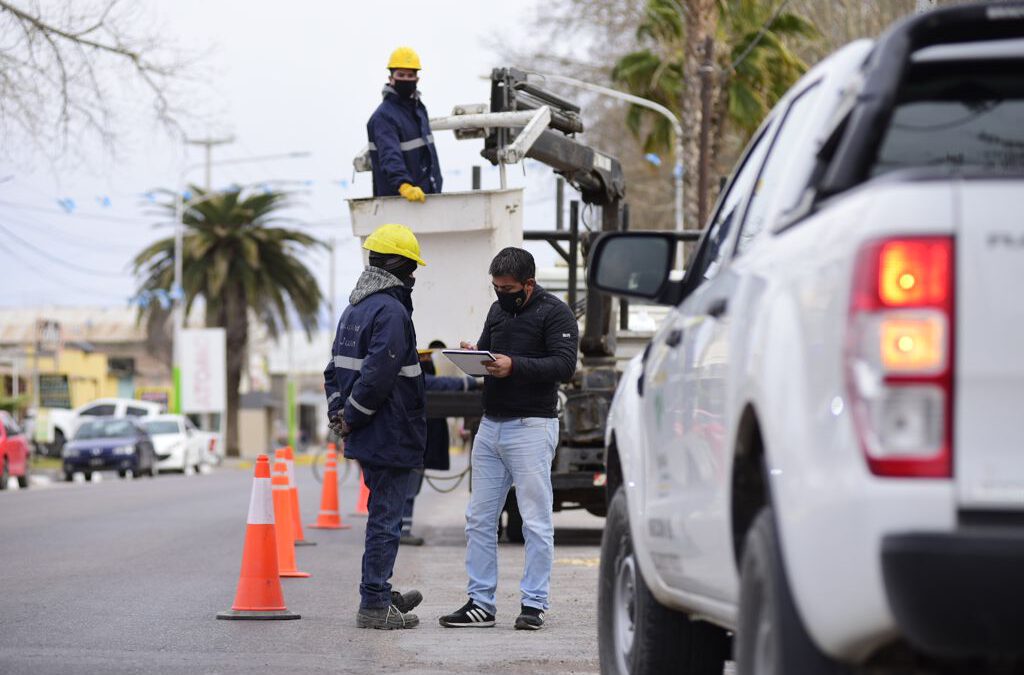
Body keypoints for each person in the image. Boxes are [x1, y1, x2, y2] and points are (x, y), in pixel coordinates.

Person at [439, 247, 579, 631]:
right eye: (496, 287)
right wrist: (476, 355)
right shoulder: (497, 311)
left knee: (535, 520)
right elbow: (491, 354)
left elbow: (564, 365)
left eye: (508, 287)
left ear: (528, 284)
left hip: (532, 426)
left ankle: (533, 604)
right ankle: (480, 603)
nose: (501, 293)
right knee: (479, 519)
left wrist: (513, 365)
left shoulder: (556, 313)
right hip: (491, 426)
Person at [323, 222, 428, 630]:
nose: (414, 277)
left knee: (381, 513)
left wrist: (340, 415)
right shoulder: (392, 310)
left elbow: (333, 370)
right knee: (386, 517)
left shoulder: (356, 308)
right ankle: (374, 604)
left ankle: (380, 592)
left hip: (371, 433)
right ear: (400, 265)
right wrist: (350, 416)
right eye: (412, 269)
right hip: (390, 432)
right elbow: (378, 377)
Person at [400, 342, 478, 546]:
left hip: (415, 439)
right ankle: (401, 530)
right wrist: (469, 384)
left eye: (428, 358)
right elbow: (434, 383)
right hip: (409, 440)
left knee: (411, 487)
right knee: (408, 487)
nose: (427, 361)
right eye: (423, 358)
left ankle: (400, 528)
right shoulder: (412, 377)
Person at [368, 46, 442, 201]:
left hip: (428, 198)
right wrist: (404, 185)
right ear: (391, 79)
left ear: (417, 79)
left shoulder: (419, 110)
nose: (406, 79)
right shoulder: (384, 117)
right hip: (397, 202)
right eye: (401, 74)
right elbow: (390, 156)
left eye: (410, 75)